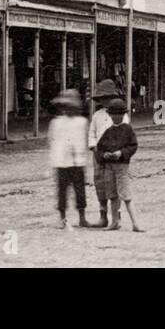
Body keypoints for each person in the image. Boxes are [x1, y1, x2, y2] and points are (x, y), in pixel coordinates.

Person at [95, 98, 141, 232]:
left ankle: (135, 222)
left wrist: (121, 153)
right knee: (112, 195)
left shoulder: (127, 129)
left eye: (119, 114)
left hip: (122, 167)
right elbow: (99, 148)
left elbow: (133, 146)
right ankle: (115, 221)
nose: (116, 117)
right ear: (110, 115)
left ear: (123, 115)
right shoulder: (108, 131)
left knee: (126, 195)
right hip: (109, 167)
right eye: (113, 114)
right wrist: (104, 155)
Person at [87, 78, 126, 227]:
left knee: (115, 184)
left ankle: (117, 216)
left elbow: (125, 133)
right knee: (100, 183)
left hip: (115, 155)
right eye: (102, 98)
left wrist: (118, 150)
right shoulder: (97, 115)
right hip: (99, 154)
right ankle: (103, 215)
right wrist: (93, 146)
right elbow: (92, 132)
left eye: (107, 98)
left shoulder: (121, 114)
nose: (105, 101)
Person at [48, 88, 90, 228]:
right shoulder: (56, 122)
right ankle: (63, 218)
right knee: (62, 191)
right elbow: (52, 140)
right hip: (61, 161)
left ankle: (82, 217)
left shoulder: (82, 122)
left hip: (78, 160)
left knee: (80, 190)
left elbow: (83, 140)